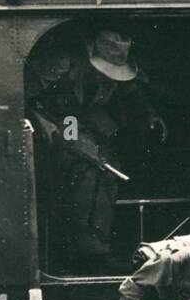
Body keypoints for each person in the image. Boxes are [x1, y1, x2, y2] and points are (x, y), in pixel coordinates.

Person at [26, 26, 167, 271]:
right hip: (54, 122)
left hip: (81, 119)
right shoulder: (61, 62)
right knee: (88, 168)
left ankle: (95, 245)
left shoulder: (117, 68)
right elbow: (26, 98)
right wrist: (62, 136)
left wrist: (150, 115)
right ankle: (86, 251)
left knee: (108, 165)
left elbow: (130, 90)